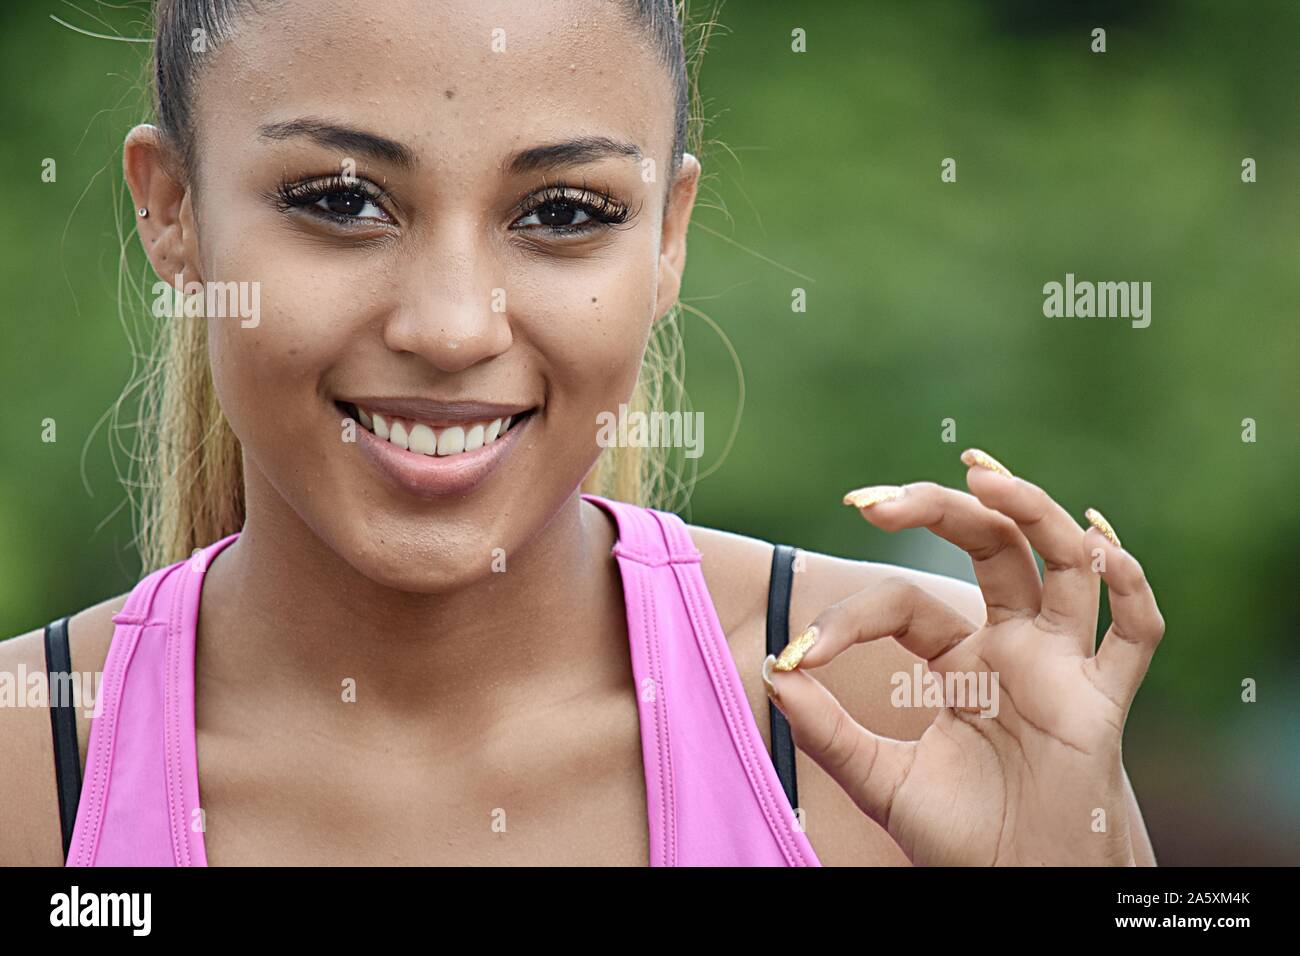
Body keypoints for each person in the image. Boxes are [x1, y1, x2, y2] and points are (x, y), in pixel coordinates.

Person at [0, 0, 1161, 866]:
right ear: (171, 211)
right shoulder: (22, 767)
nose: (453, 326)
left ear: (666, 239)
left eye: (562, 213)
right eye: (341, 200)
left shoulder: (904, 702)